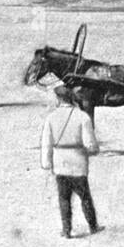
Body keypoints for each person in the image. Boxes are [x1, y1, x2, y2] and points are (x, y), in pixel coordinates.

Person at [40, 95, 101, 238]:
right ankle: (93, 226)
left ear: (58, 99)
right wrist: (93, 150)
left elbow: (46, 142)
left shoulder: (51, 118)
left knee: (63, 197)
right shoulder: (83, 117)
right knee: (85, 196)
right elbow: (90, 144)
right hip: (78, 162)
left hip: (60, 162)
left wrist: (46, 162)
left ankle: (66, 230)